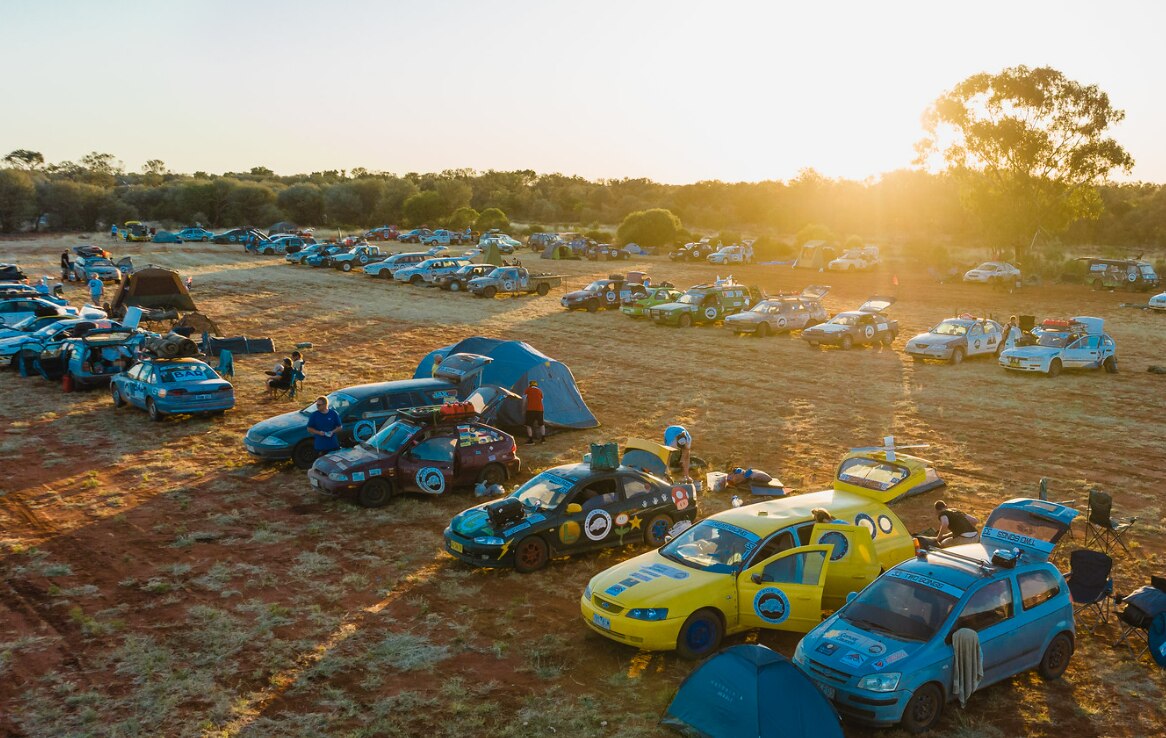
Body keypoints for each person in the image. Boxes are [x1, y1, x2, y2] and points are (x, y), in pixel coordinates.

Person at [523, 379, 545, 445]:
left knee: (529, 425)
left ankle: (531, 440)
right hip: (540, 410)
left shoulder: (527, 390)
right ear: (536, 385)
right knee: (541, 424)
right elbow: (541, 401)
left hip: (531, 409)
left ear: (530, 385)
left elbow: (524, 400)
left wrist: (523, 409)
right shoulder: (540, 391)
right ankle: (543, 439)